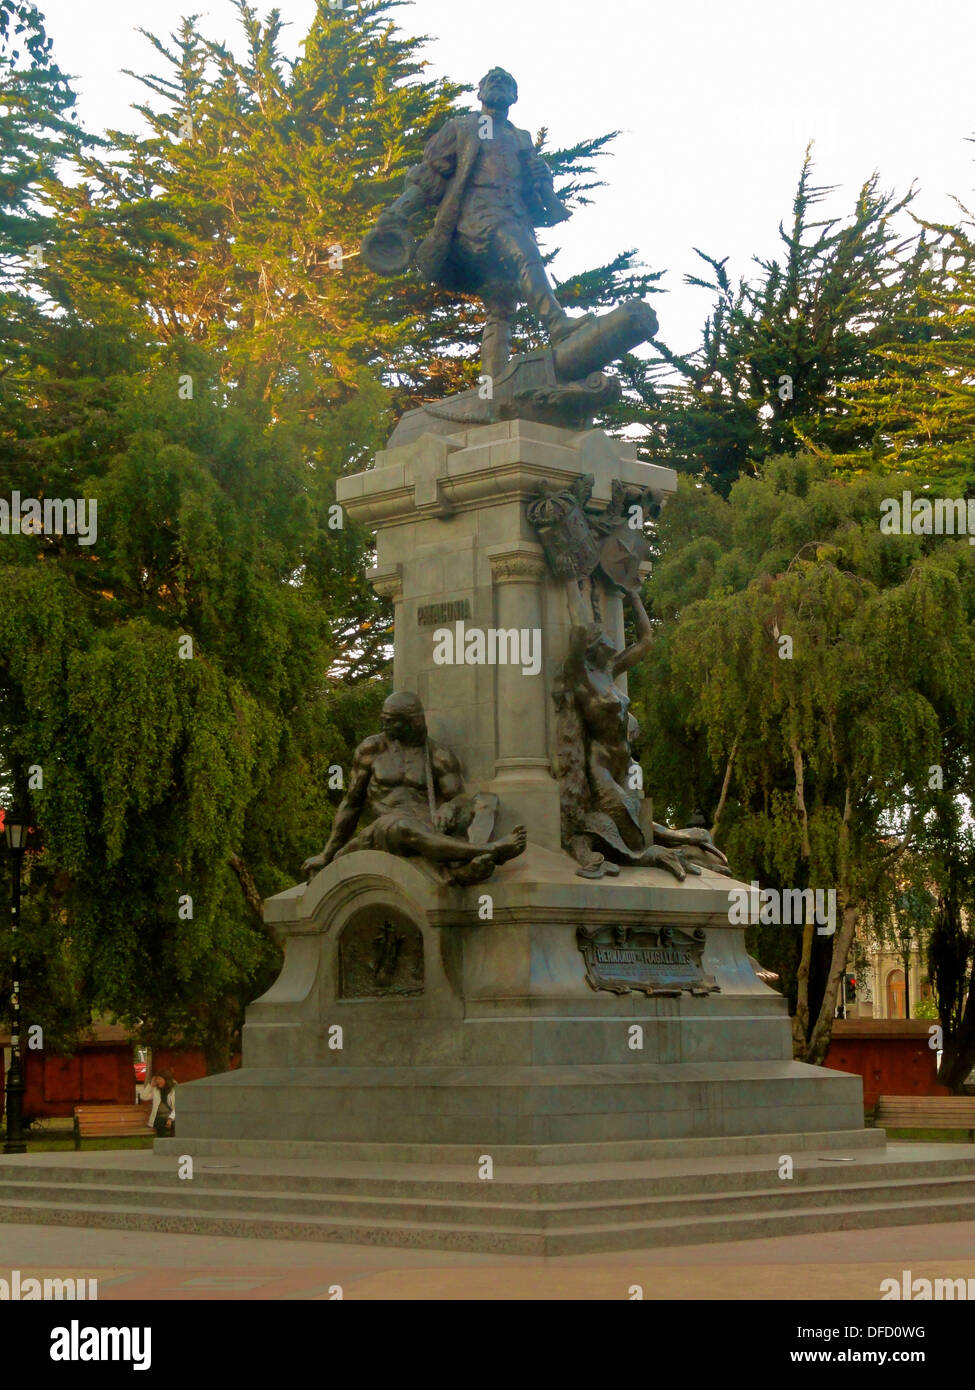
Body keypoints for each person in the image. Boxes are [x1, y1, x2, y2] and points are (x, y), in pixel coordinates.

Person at [366, 68, 591, 378]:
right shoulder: (461, 128)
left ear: (515, 97)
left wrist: (540, 183)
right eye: (491, 81)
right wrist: (397, 214)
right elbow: (431, 176)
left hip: (515, 218)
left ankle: (492, 388)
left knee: (500, 306)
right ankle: (557, 324)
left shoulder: (520, 138)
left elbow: (533, 198)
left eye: (506, 83)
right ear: (480, 91)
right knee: (525, 254)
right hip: (477, 219)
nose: (498, 85)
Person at [301, 692, 526, 885]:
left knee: (486, 801)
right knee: (404, 826)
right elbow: (351, 804)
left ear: (412, 722)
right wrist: (326, 854)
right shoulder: (371, 750)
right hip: (387, 827)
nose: (385, 725)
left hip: (427, 826)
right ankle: (489, 851)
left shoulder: (437, 755)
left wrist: (449, 807)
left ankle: (462, 869)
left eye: (392, 721)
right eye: (384, 719)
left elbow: (460, 799)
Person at [145, 1072, 176, 1138]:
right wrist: (150, 1085)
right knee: (161, 1122)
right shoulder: (155, 1090)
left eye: (159, 1079)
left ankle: (169, 1142)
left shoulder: (173, 1091)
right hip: (158, 1117)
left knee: (175, 1124)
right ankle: (163, 1142)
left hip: (171, 1116)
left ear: (166, 1080)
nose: (157, 1081)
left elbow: (176, 1107)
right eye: (156, 1079)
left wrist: (170, 1119)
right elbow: (143, 1097)